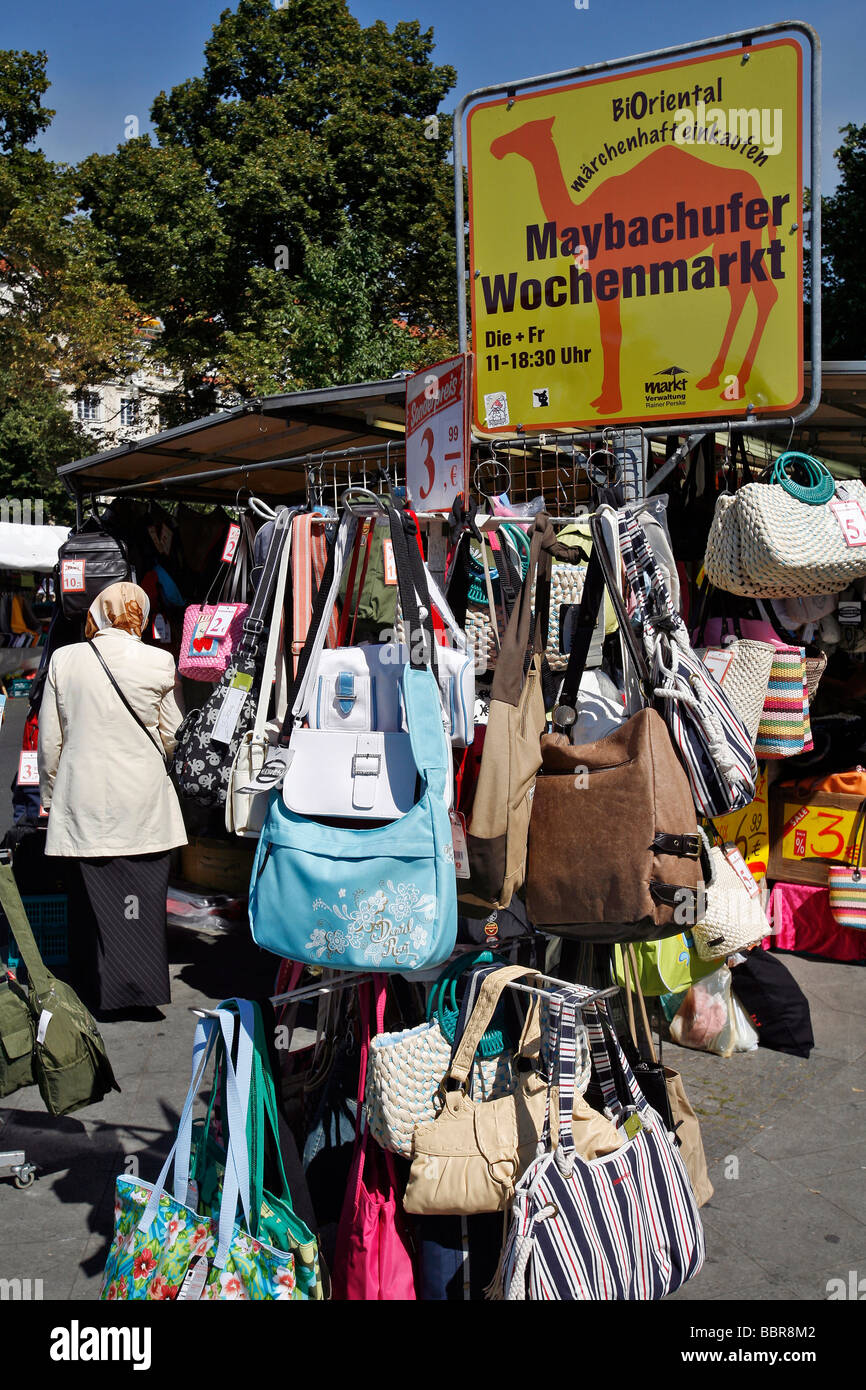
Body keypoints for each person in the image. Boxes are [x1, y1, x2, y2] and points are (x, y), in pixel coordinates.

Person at [37, 582, 187, 1014]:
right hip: (142, 802)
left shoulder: (65, 659)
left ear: (98, 612)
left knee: (92, 903)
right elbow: (172, 733)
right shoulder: (159, 661)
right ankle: (141, 992)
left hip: (83, 801)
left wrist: (51, 796)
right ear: (140, 612)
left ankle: (97, 990)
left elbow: (52, 741)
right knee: (139, 900)